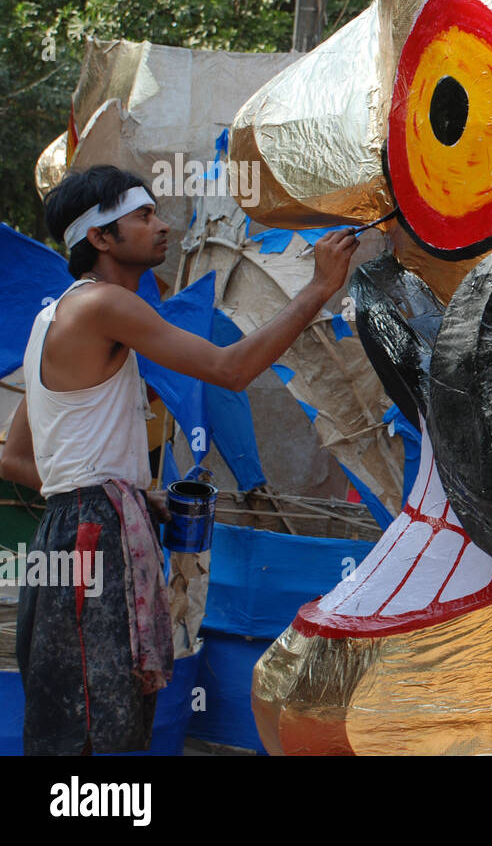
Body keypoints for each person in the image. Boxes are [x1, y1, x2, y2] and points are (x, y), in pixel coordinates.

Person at [0, 164, 358, 753]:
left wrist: (123, 496)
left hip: (74, 530)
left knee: (79, 716)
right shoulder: (103, 307)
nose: (161, 225)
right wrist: (318, 289)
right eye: (142, 216)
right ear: (99, 238)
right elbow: (231, 369)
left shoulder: (51, 318)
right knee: (101, 725)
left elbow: (16, 459)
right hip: (94, 537)